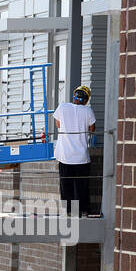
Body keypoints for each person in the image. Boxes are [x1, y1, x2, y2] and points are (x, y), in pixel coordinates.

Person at [52, 84, 97, 216]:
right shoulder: (88, 111)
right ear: (86, 99)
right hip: (81, 157)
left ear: (74, 95)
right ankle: (83, 211)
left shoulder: (62, 107)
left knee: (66, 186)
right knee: (82, 186)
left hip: (65, 156)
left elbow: (58, 124)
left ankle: (69, 211)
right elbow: (92, 129)